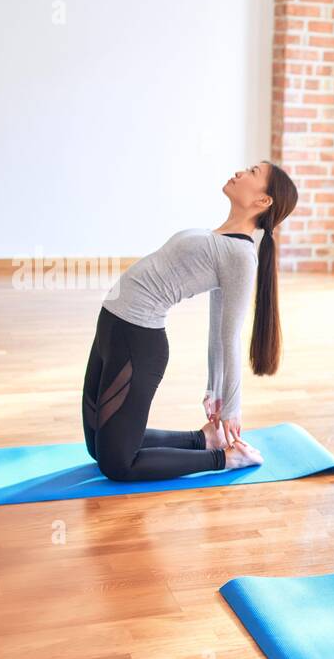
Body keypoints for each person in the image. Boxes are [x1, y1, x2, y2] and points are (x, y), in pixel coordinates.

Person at [81, 161, 297, 480]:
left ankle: (225, 459)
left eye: (252, 173)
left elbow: (230, 336)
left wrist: (232, 407)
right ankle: (205, 439)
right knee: (97, 445)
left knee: (117, 464)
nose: (240, 172)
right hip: (112, 325)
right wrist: (213, 389)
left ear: (263, 201)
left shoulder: (241, 255)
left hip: (138, 342)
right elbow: (216, 324)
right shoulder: (222, 238)